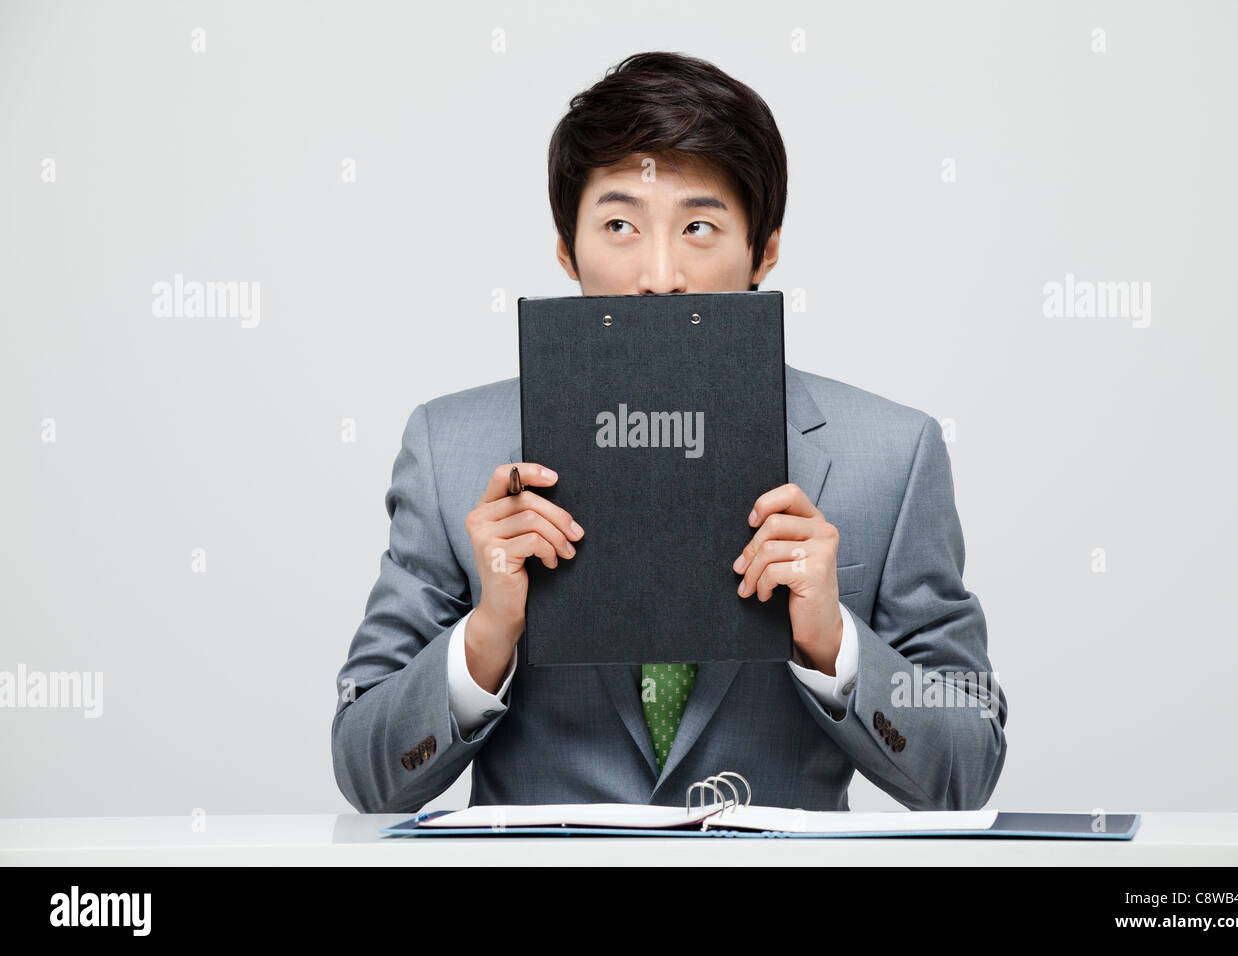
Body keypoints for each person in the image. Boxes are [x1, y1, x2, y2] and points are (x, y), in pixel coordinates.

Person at [331, 51, 1007, 814]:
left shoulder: (891, 456)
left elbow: (969, 767)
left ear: (765, 250)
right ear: (567, 249)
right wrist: (487, 635)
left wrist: (835, 644)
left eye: (698, 226)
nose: (659, 275)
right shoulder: (448, 447)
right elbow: (366, 770)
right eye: (619, 224)